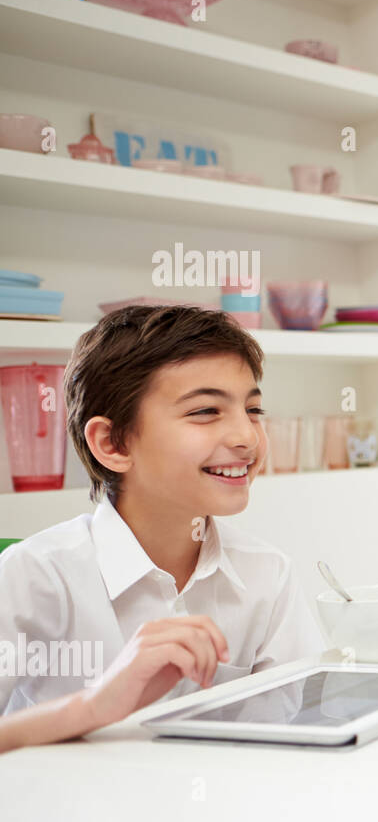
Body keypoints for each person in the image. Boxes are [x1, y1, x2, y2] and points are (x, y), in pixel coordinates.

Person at [0, 306, 324, 754]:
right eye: (206, 410)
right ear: (112, 444)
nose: (247, 437)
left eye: (252, 409)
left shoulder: (268, 576)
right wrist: (95, 705)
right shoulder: (32, 576)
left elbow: (305, 729)